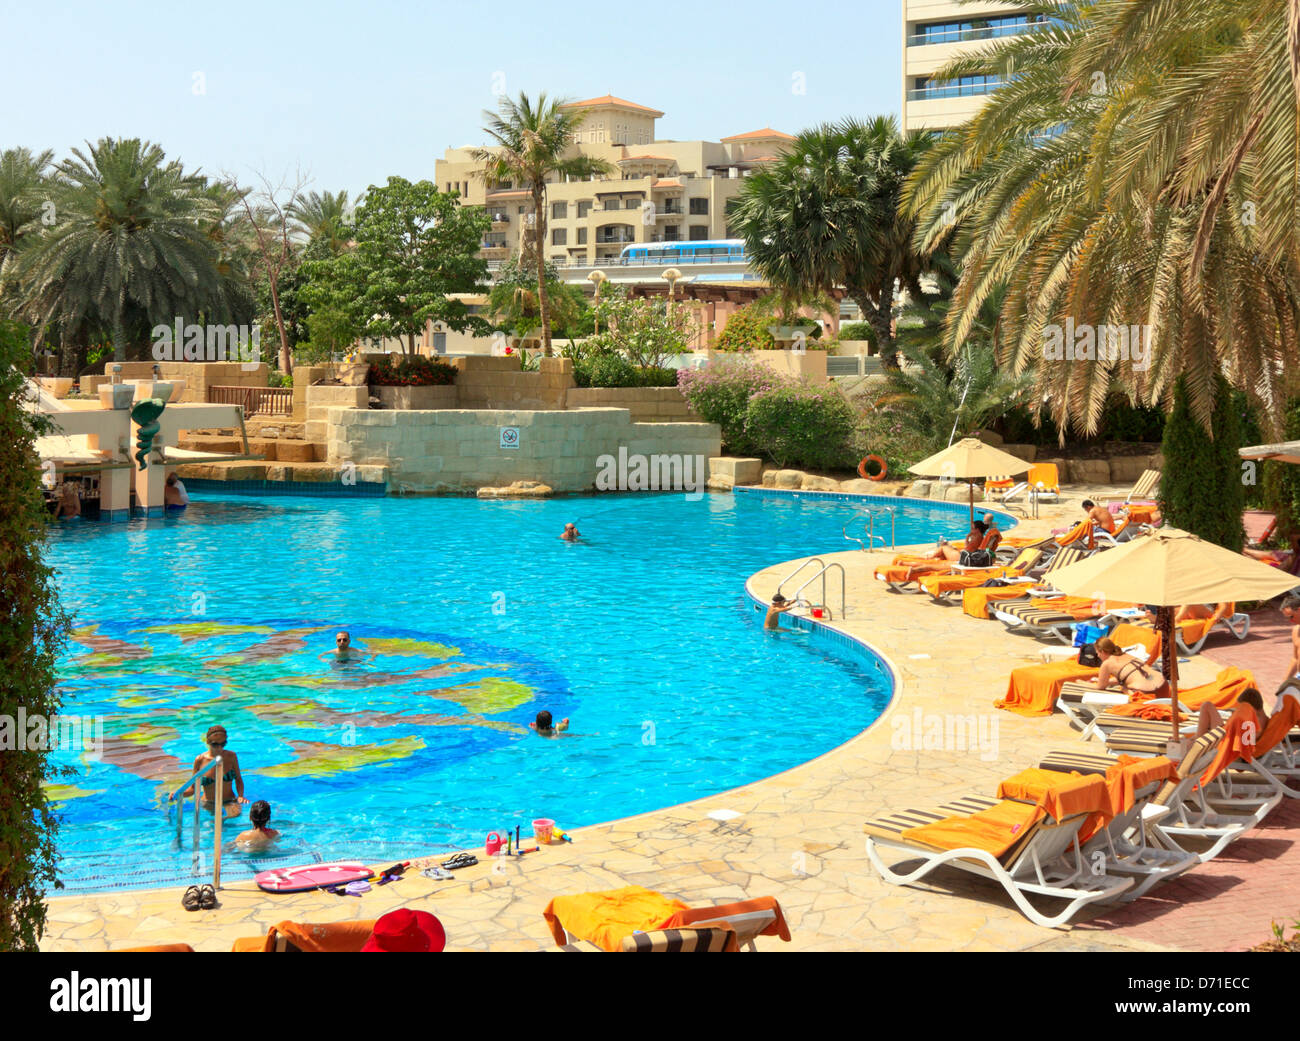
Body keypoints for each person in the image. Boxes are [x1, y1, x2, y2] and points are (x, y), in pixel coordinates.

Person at [182, 725, 247, 817]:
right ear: (208, 742)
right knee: (212, 826)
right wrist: (180, 794)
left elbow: (239, 780)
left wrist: (240, 796)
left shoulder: (231, 756)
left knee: (233, 817)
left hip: (230, 801)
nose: (219, 748)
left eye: (223, 744)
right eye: (215, 744)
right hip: (208, 803)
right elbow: (193, 788)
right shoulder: (200, 760)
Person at [904, 521, 987, 580]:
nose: (971, 530)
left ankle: (928, 558)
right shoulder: (978, 537)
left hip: (961, 559)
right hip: (964, 559)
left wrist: (966, 539)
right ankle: (909, 564)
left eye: (972, 528)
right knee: (941, 556)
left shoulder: (977, 537)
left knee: (943, 547)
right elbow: (970, 549)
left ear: (977, 529)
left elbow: (967, 550)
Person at [1092, 637, 1169, 698]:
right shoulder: (1129, 655)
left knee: (1124, 688)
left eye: (1097, 653)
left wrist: (1081, 682)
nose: (1098, 656)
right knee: (1127, 683)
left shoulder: (1107, 663)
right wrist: (1107, 681)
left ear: (1102, 651)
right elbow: (1126, 677)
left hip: (1146, 693)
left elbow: (1100, 687)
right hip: (1164, 687)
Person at [1195, 687, 1266, 739]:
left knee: (1207, 706)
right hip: (1226, 735)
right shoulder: (1260, 715)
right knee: (1207, 708)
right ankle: (1198, 739)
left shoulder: (1258, 721)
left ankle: (1198, 740)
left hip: (1224, 740)